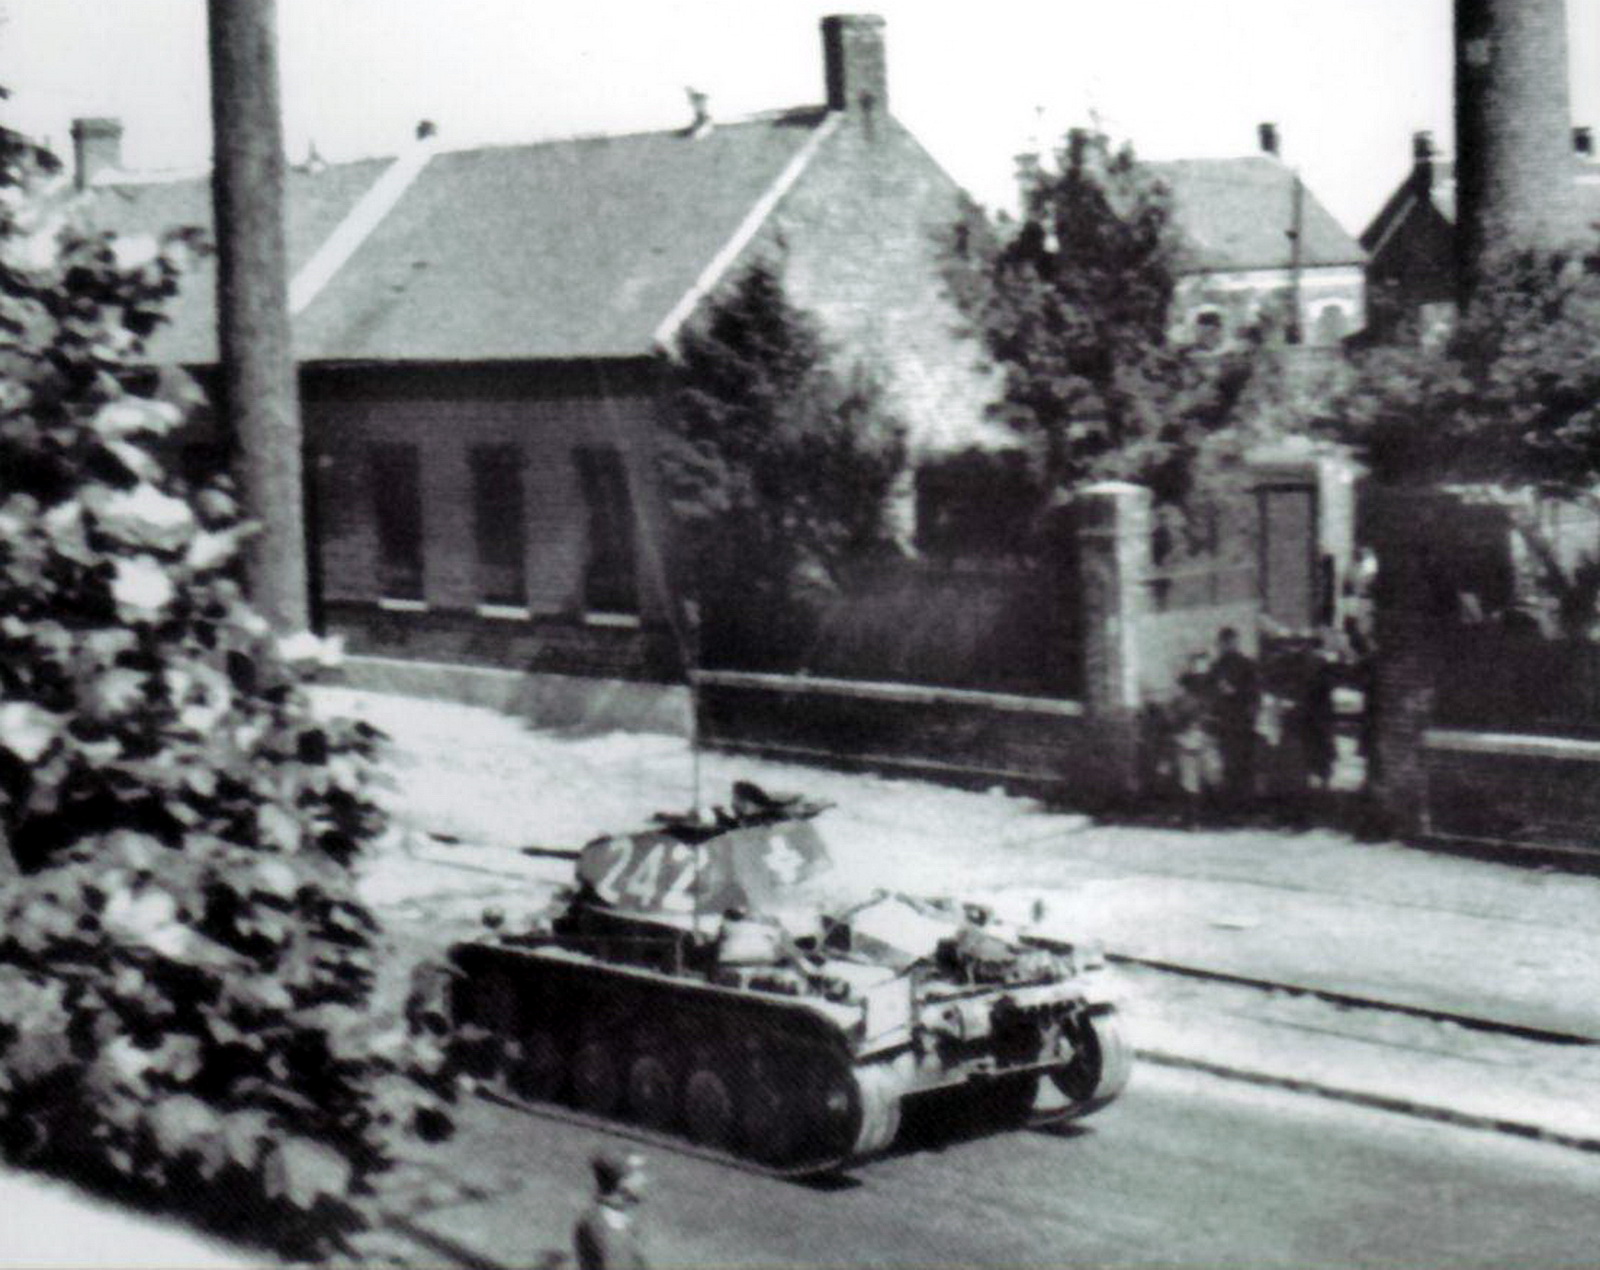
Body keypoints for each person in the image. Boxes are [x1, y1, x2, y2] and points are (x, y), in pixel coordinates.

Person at [1207, 627, 1260, 812]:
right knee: (1227, 764)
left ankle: (1246, 806)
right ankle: (1229, 806)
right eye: (1224, 642)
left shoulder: (1246, 665)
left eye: (1231, 642)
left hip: (1242, 722)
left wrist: (1235, 693)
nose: (1227, 646)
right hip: (1224, 722)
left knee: (1243, 764)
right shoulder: (1216, 666)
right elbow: (1209, 692)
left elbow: (1254, 693)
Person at [573, 1150, 651, 1270]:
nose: (645, 1180)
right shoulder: (596, 1224)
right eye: (637, 1175)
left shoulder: (625, 1223)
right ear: (623, 1183)